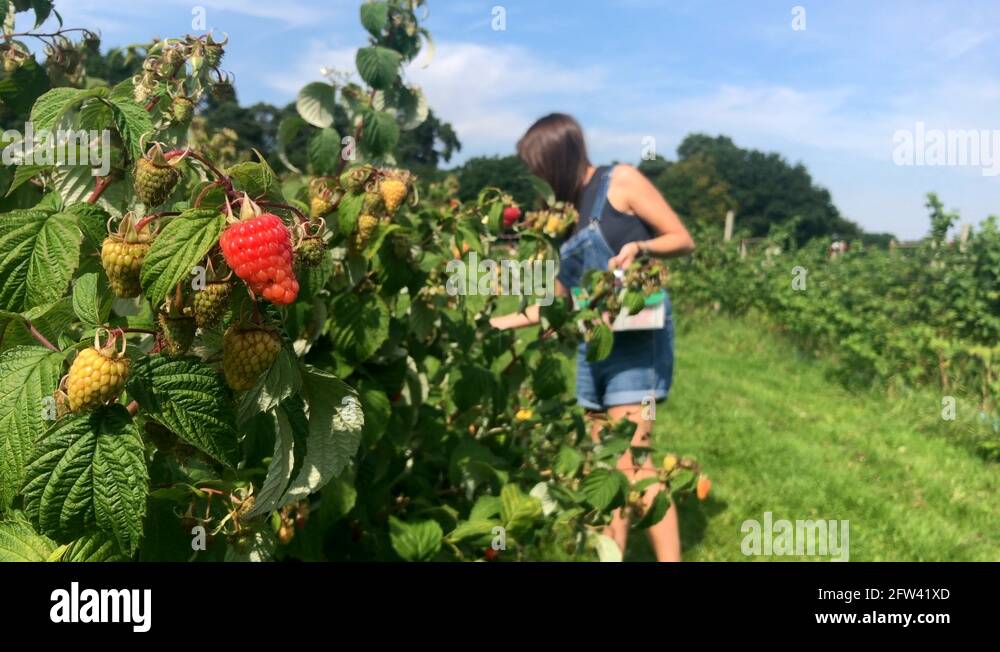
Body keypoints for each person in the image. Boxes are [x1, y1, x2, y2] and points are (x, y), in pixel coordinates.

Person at [490, 114, 695, 561]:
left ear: (557, 159)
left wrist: (641, 248)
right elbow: (561, 304)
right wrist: (498, 325)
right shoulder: (564, 219)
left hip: (638, 344)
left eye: (538, 167)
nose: (536, 179)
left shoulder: (620, 181)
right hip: (595, 346)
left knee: (633, 463)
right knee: (603, 465)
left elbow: (682, 238)